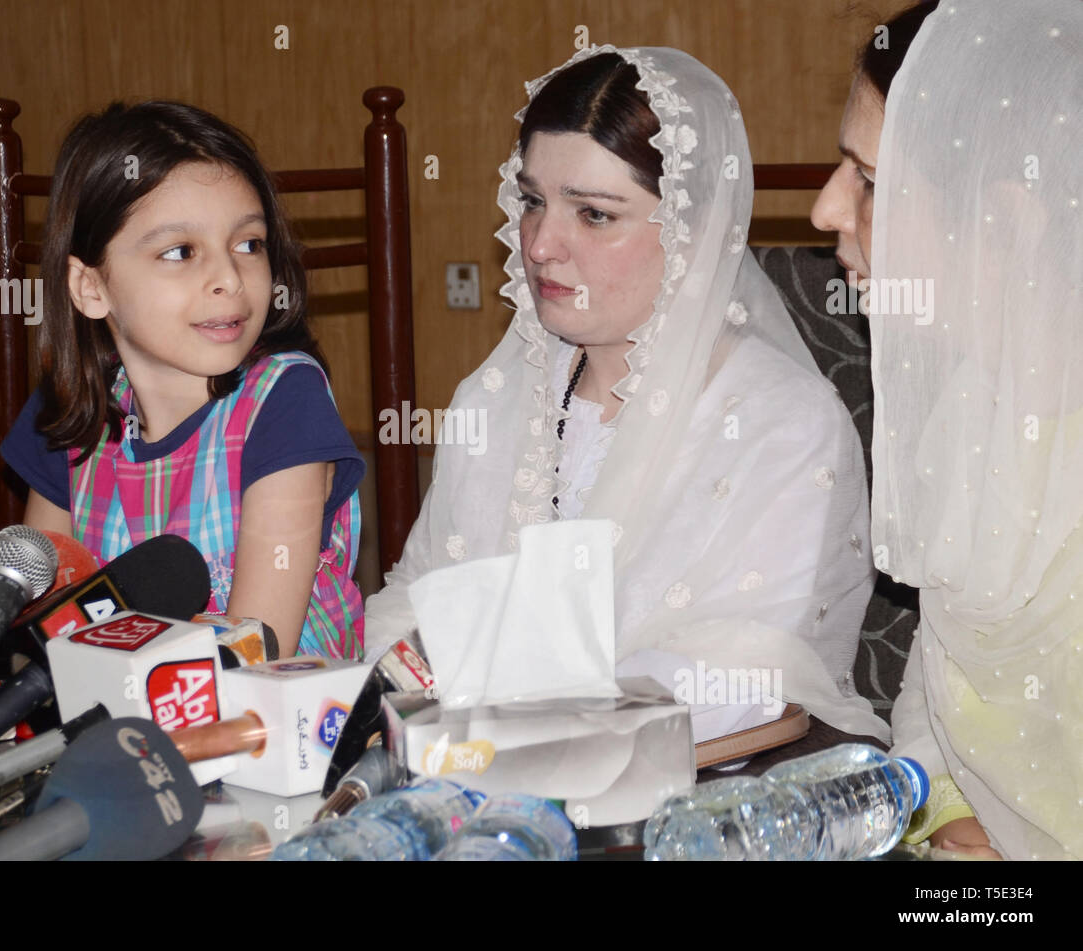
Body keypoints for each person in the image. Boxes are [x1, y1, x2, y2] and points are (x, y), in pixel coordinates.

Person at [366, 47, 890, 747]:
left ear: (692, 231)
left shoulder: (782, 426)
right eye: (532, 201)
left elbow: (738, 682)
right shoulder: (490, 399)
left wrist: (501, 713)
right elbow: (413, 599)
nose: (543, 244)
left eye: (594, 214)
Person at [813, 0, 1081, 860]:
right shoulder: (969, 410)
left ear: (1009, 221)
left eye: (870, 182)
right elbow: (936, 699)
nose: (824, 211)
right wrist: (956, 820)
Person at [0, 101, 365, 659]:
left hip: (267, 724)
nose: (228, 278)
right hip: (108, 714)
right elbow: (47, 629)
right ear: (91, 287)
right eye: (181, 252)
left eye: (249, 244)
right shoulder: (73, 412)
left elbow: (255, 650)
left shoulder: (285, 403)